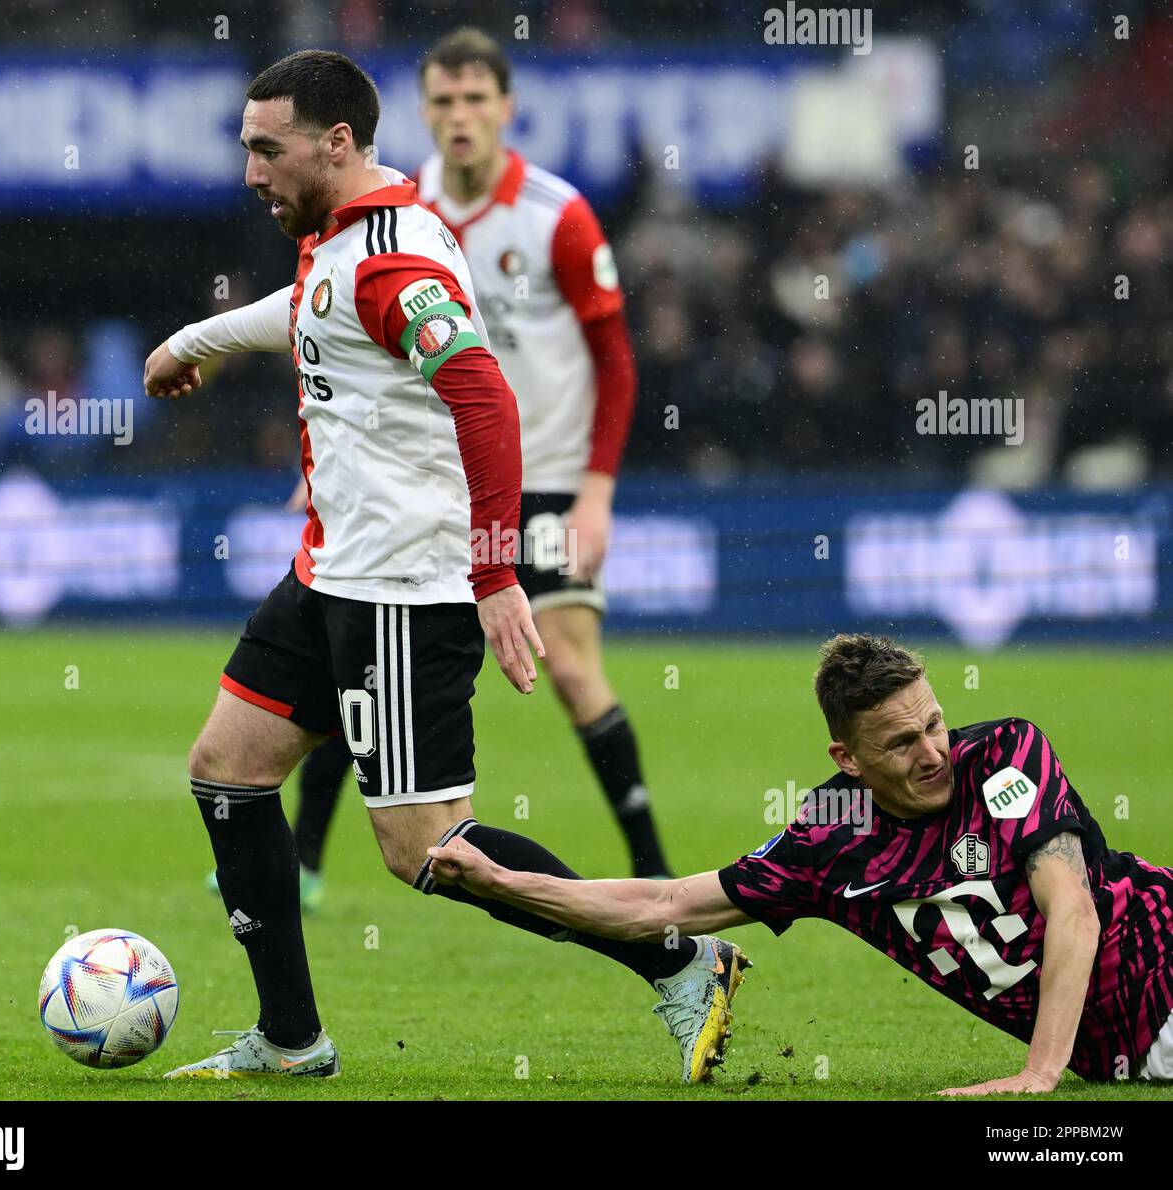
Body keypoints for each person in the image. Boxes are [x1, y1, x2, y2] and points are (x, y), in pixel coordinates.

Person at [142, 49, 741, 1085]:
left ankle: (681, 956)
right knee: (227, 768)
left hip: (403, 593)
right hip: (332, 573)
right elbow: (307, 312)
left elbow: (482, 393)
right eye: (246, 149)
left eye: (265, 149)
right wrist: (196, 339)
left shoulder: (393, 262)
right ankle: (290, 1038)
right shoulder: (346, 237)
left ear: (335, 144)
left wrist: (496, 567)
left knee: (428, 849)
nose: (250, 171)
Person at [276, 30, 673, 911]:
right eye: (443, 102)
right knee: (367, 647)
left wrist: (599, 491)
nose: (458, 117)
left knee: (569, 670)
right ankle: (303, 860)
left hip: (551, 476)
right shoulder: (400, 213)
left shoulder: (556, 215)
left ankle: (650, 871)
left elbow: (614, 358)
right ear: (424, 111)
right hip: (430, 478)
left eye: (474, 100)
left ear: (505, 107)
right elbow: (337, 332)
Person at [428, 632, 1173, 1092]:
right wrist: (505, 883)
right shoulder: (830, 837)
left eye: (935, 723)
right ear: (846, 759)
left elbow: (1073, 908)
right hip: (1129, 1056)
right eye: (901, 744)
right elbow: (665, 908)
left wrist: (1039, 1075)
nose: (934, 753)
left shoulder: (1007, 754)